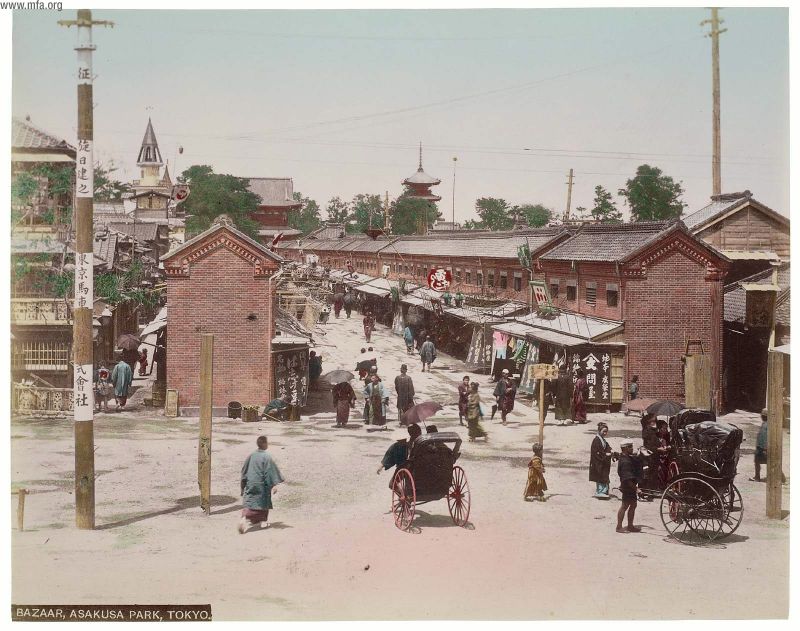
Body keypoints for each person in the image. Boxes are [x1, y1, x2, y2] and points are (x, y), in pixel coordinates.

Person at [238, 435, 285, 534]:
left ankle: (244, 518)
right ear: (264, 444)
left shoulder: (252, 455)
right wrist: (273, 485)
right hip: (261, 485)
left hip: (251, 483)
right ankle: (263, 521)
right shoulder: (266, 457)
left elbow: (244, 470)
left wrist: (243, 484)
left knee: (250, 502)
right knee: (264, 503)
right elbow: (269, 472)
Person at [377, 423, 422, 488]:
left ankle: (402, 496)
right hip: (424, 468)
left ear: (409, 433)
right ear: (420, 432)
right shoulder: (425, 443)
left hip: (409, 468)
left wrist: (382, 465)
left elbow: (391, 455)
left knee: (392, 485)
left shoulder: (401, 445)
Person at [616, 442, 645, 533]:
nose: (632, 448)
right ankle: (619, 527)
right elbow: (627, 478)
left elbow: (636, 460)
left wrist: (640, 454)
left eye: (631, 446)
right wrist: (636, 489)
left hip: (631, 484)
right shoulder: (625, 461)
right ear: (624, 448)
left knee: (633, 505)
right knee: (625, 506)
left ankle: (630, 526)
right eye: (630, 447)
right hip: (627, 485)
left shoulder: (626, 457)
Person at [752, 408, 786, 483]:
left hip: (762, 448)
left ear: (764, 416)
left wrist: (764, 449)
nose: (761, 416)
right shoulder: (768, 424)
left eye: (762, 415)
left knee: (761, 462)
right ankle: (782, 478)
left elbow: (764, 438)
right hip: (763, 448)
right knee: (771, 462)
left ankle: (757, 477)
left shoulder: (766, 425)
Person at [589, 422, 613, 498]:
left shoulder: (603, 440)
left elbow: (607, 447)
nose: (605, 433)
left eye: (606, 431)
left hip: (603, 461)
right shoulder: (596, 440)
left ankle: (604, 491)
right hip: (598, 461)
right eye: (604, 431)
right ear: (599, 431)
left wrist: (610, 451)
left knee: (604, 475)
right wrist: (605, 454)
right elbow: (596, 452)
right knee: (600, 476)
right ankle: (600, 491)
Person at [640, 414, 662, 491]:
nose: (654, 423)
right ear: (648, 422)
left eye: (655, 421)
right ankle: (647, 490)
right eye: (652, 421)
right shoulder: (647, 432)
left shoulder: (654, 431)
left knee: (654, 472)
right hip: (649, 455)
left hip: (654, 454)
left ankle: (652, 489)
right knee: (649, 472)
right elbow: (649, 446)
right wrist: (658, 449)